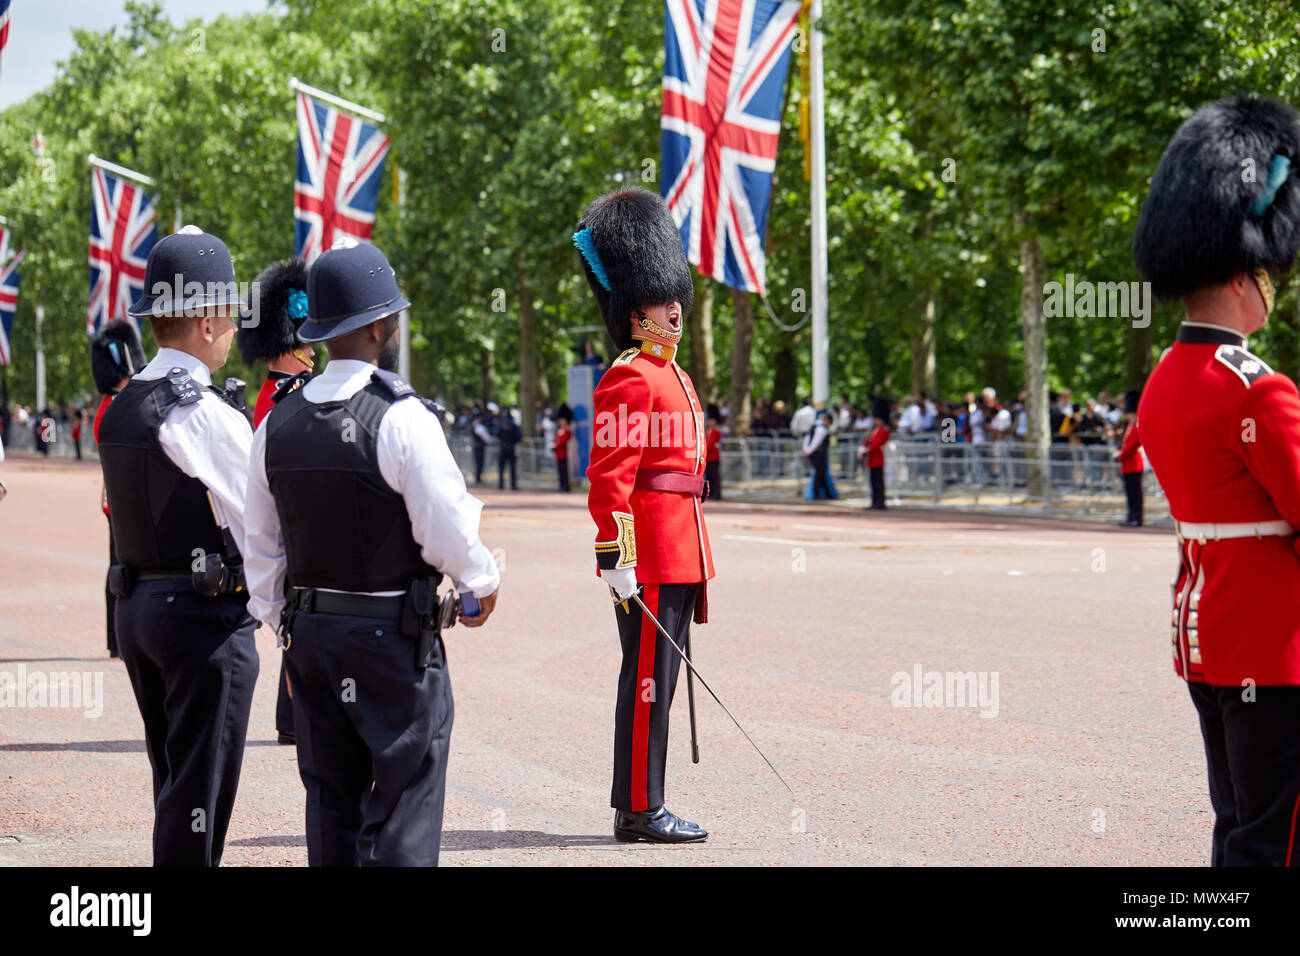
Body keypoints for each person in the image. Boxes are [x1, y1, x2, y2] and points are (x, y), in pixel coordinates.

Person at [243, 240, 500, 867]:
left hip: (310, 639)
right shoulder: (402, 417)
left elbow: (261, 545)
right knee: (407, 796)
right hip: (391, 640)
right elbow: (444, 530)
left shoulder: (275, 424)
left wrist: (287, 620)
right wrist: (481, 581)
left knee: (331, 802)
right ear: (383, 324)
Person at [1133, 95, 1300, 866]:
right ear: (1245, 274)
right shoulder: (1257, 388)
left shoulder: (1164, 380)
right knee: (1277, 838)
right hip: (1276, 647)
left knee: (1237, 826)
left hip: (1206, 641)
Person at [96, 226, 257, 866]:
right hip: (202, 621)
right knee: (198, 802)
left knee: (176, 787)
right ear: (208, 320)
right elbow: (265, 522)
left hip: (137, 610)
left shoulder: (124, 402)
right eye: (231, 314)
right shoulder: (202, 411)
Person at [574, 186, 713, 843]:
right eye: (664, 298)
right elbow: (610, 476)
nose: (676, 307)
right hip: (650, 553)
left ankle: (646, 800)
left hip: (682, 547)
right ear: (635, 311)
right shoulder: (631, 376)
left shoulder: (672, 374)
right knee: (648, 683)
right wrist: (616, 555)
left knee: (661, 681)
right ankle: (639, 808)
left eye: (676, 295)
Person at [237, 256, 318, 747]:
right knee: (300, 614)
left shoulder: (280, 390)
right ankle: (296, 713)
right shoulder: (286, 393)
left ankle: (293, 715)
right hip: (294, 517)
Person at [89, 318, 147, 660]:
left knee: (120, 566)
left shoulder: (112, 405)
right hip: (123, 499)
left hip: (118, 498)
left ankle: (118, 640)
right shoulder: (116, 407)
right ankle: (118, 639)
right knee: (122, 569)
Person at [1114, 389, 1144, 527]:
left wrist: (1121, 454)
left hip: (1134, 463)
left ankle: (1136, 518)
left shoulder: (1136, 426)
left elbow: (1133, 445)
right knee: (1130, 494)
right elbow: (1126, 443)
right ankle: (1131, 517)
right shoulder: (1131, 426)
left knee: (1135, 494)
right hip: (1128, 464)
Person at [861, 397, 891, 510]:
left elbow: (876, 445)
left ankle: (880, 502)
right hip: (872, 459)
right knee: (873, 482)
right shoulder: (875, 430)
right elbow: (868, 441)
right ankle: (874, 502)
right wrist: (863, 449)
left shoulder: (883, 430)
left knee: (878, 483)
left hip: (877, 459)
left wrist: (866, 451)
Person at [802, 409, 836, 500]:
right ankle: (819, 494)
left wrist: (806, 450)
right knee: (819, 473)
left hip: (813, 453)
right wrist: (808, 451)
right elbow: (816, 443)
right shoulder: (821, 429)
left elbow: (807, 439)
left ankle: (826, 493)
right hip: (818, 454)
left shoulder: (815, 426)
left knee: (820, 474)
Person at [496, 405, 521, 490]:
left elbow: (496, 434)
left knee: (501, 468)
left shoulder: (501, 424)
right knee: (512, 469)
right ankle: (513, 486)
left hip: (503, 448)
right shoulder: (514, 425)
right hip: (511, 448)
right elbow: (519, 436)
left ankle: (501, 485)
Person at [704, 405, 722, 501]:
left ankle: (716, 494)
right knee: (709, 476)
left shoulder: (716, 431)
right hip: (709, 457)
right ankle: (711, 494)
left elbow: (710, 444)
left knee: (714, 476)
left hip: (713, 457)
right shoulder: (709, 431)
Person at [554, 416, 572, 492]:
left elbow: (562, 441)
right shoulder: (560, 430)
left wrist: (555, 446)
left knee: (564, 471)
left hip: (563, 453)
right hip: (558, 453)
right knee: (560, 471)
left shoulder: (566, 430)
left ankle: (566, 486)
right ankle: (562, 485)